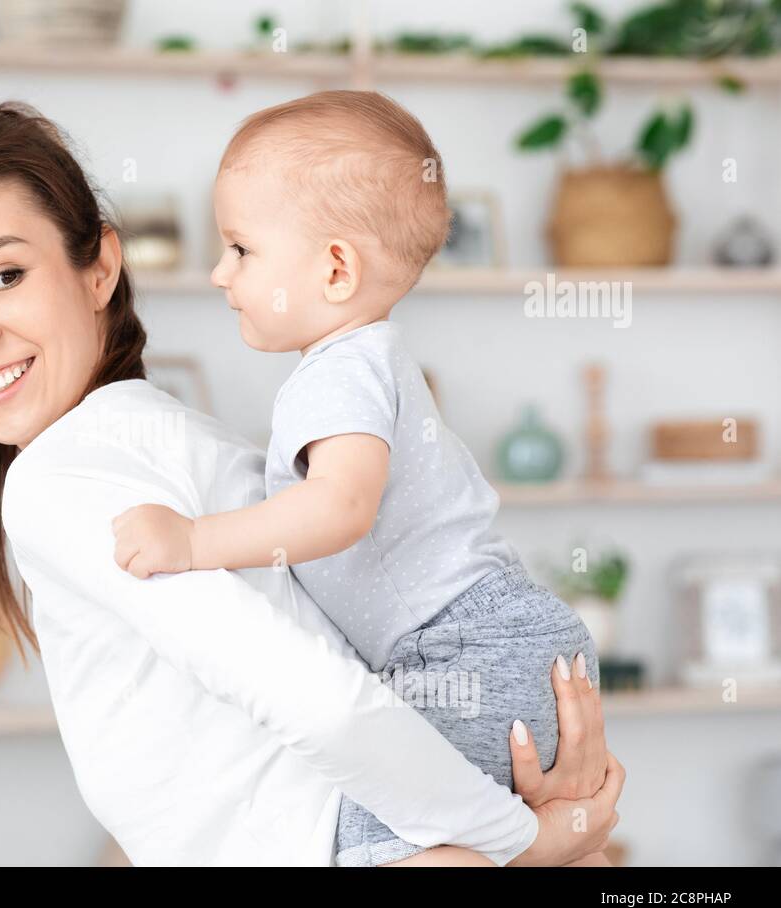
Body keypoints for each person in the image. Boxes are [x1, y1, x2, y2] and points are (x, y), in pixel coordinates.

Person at [0, 101, 623, 866]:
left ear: (102, 268)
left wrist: (517, 841)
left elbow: (320, 699)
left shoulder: (58, 479)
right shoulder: (204, 443)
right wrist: (532, 825)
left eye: (4, 275)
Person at [109, 91, 609, 866]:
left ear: (336, 268)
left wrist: (191, 540)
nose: (218, 273)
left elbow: (339, 507)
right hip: (501, 640)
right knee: (462, 835)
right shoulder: (372, 362)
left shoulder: (335, 374)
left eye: (240, 249)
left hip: (458, 650)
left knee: (385, 845)